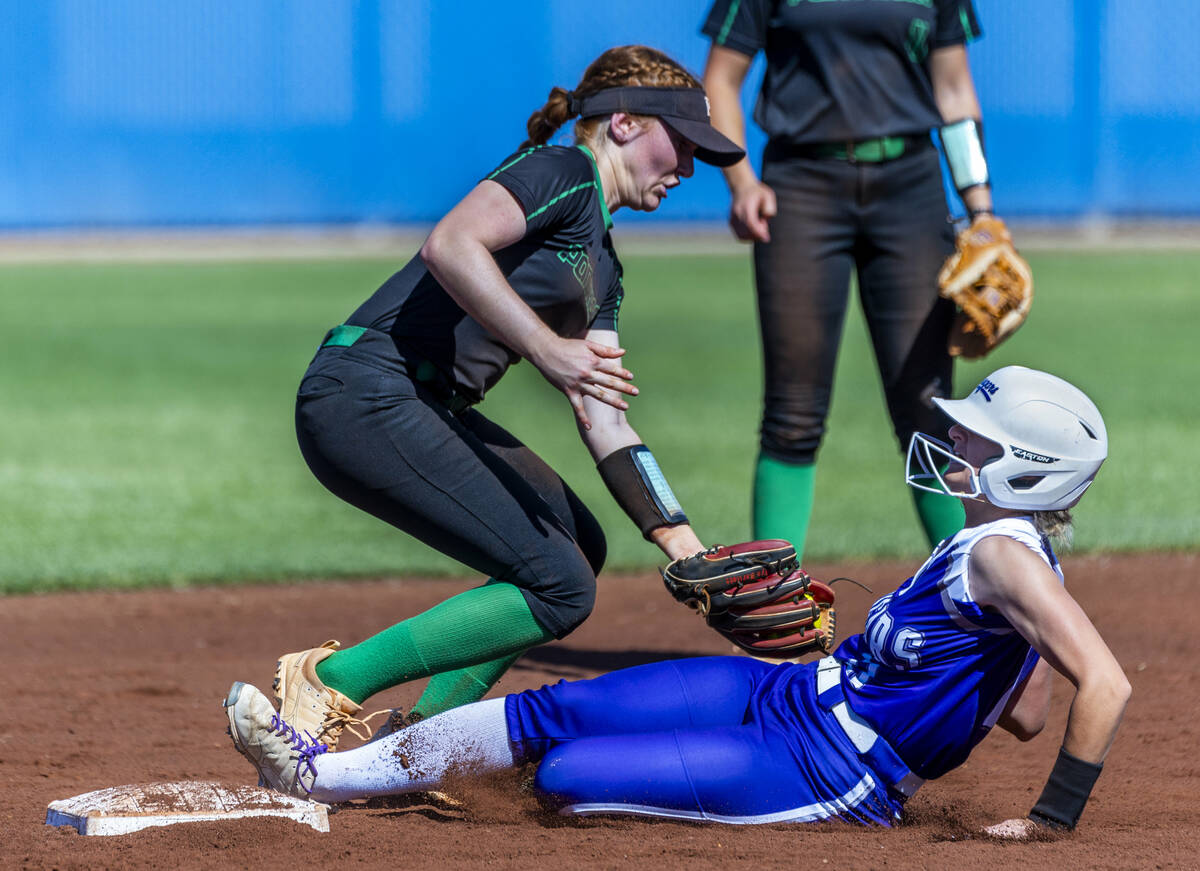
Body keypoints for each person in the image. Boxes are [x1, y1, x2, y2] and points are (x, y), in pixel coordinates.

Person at [227, 366, 1129, 835]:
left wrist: (1048, 821)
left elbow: (1105, 683)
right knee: (556, 708)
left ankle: (382, 771)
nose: (956, 443)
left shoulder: (1006, 555)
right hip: (794, 694)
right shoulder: (1003, 551)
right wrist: (987, 656)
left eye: (977, 439)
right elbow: (1026, 712)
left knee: (568, 774)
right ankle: (321, 773)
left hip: (830, 770)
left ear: (1028, 470)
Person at [260, 45, 745, 752]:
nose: (690, 168)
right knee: (561, 586)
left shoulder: (604, 269)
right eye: (684, 143)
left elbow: (605, 416)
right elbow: (452, 243)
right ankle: (329, 679)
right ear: (624, 124)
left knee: (579, 545)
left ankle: (419, 741)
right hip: (365, 391)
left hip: (418, 402)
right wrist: (548, 348)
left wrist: (684, 548)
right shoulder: (561, 170)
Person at [701, 0, 1004, 560]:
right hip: (801, 187)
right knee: (793, 413)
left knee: (930, 409)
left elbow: (954, 89)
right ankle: (775, 595)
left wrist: (980, 208)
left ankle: (968, 581)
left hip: (910, 188)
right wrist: (741, 183)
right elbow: (720, 79)